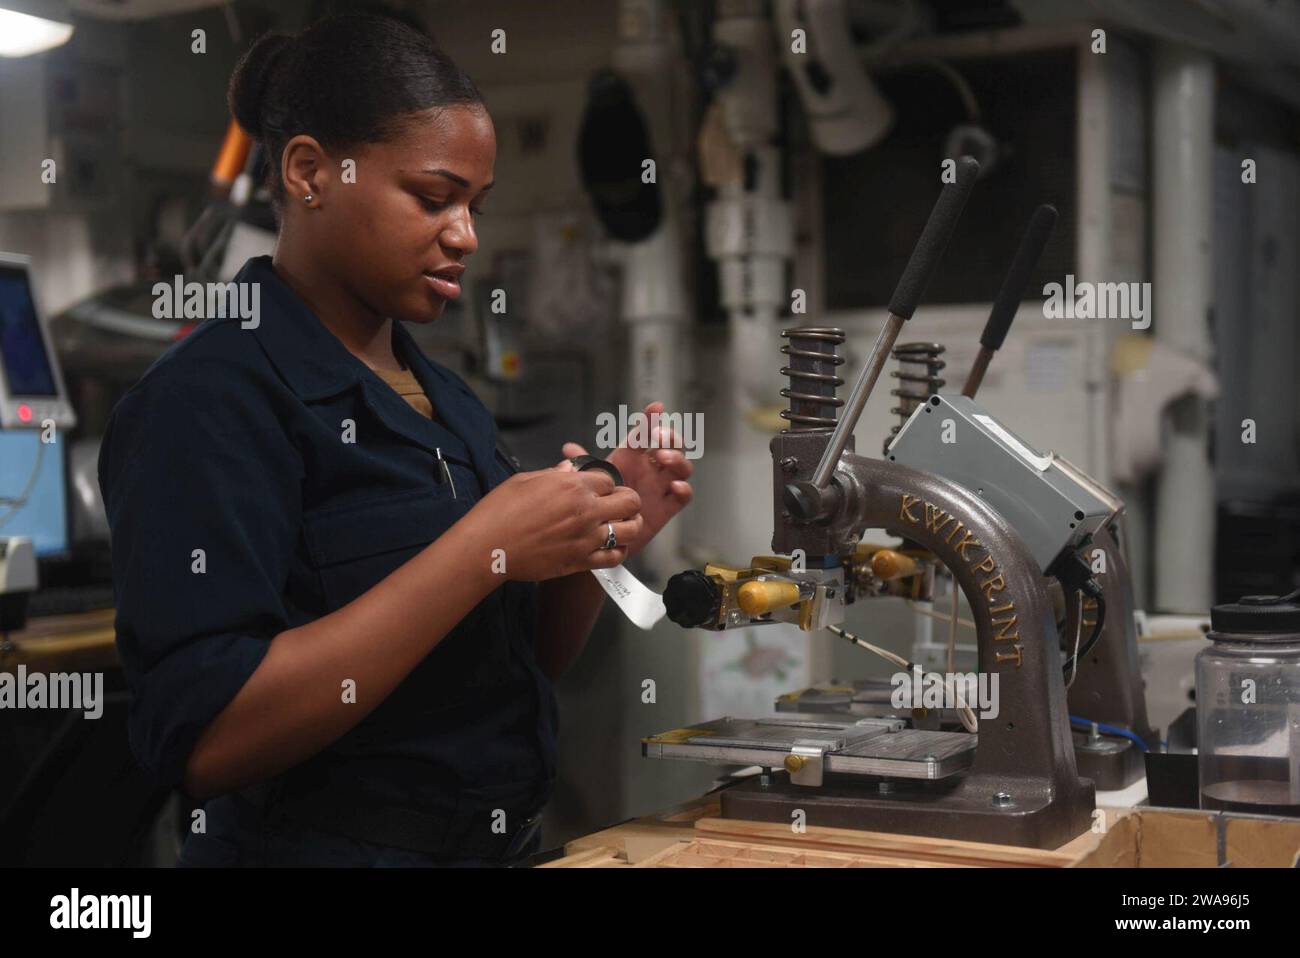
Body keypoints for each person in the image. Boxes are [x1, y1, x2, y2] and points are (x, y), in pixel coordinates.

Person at [97, 12, 692, 867]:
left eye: (476, 206)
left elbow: (512, 670)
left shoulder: (445, 400)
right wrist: (482, 546)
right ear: (309, 172)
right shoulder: (208, 400)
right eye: (432, 197)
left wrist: (605, 531)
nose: (466, 236)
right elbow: (206, 740)